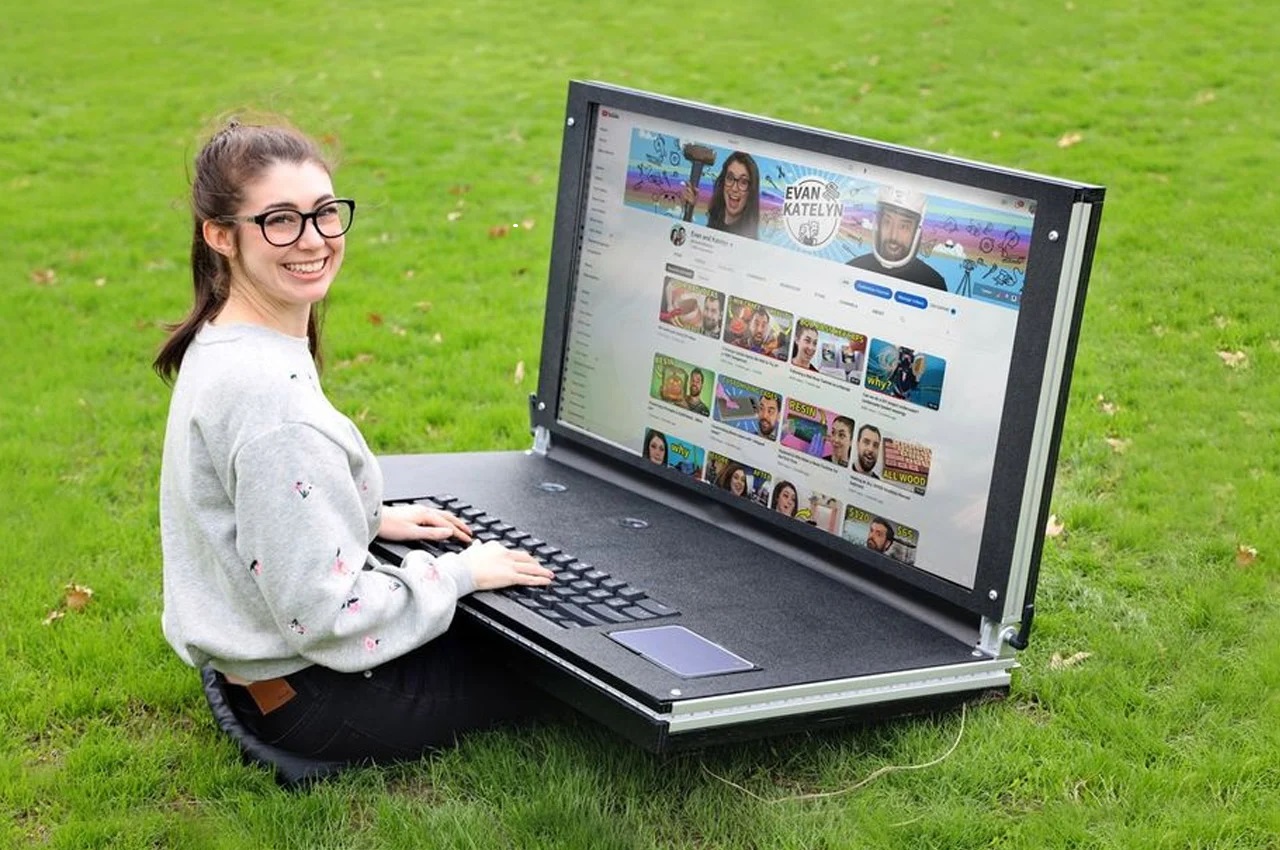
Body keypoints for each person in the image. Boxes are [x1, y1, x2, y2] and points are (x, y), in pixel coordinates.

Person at [154, 119, 559, 767]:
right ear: (221, 236)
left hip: (256, 679)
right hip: (317, 701)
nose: (313, 239)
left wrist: (366, 516)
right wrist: (461, 573)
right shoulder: (272, 402)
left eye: (324, 213)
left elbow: (261, 509)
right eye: (280, 221)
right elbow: (327, 617)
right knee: (540, 665)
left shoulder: (224, 338)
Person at [847, 186, 945, 291]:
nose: (893, 235)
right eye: (887, 222)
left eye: (904, 226)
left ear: (917, 230)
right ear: (877, 223)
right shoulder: (852, 269)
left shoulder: (934, 283)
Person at [683, 151, 760, 239]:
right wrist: (689, 208)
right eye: (730, 178)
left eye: (743, 182)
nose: (734, 188)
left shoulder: (748, 240)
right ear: (723, 182)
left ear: (751, 190)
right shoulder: (714, 221)